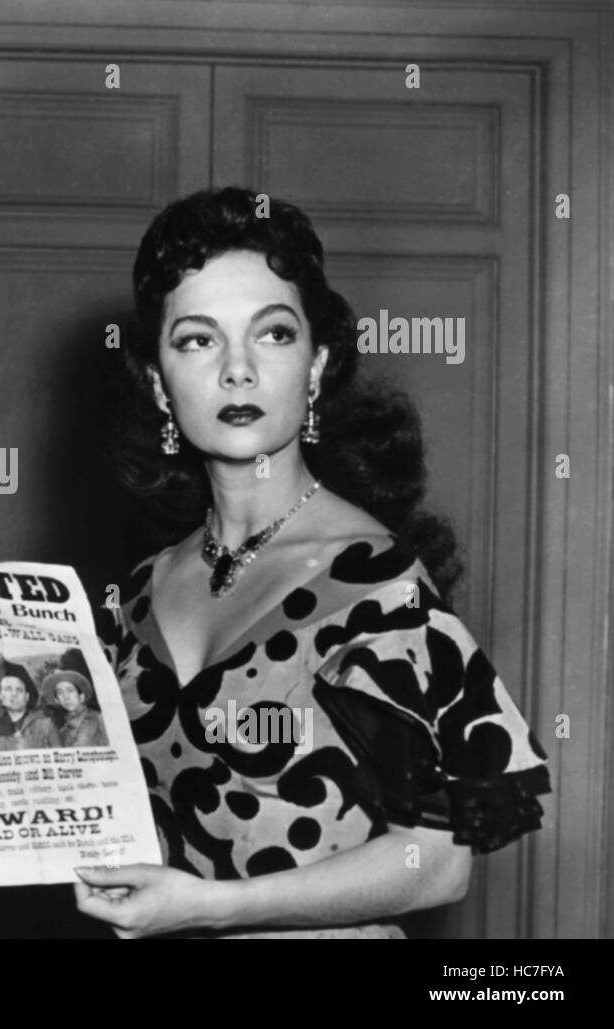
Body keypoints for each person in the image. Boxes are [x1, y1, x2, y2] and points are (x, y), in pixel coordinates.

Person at [74, 187, 550, 939]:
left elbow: (437, 857)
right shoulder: (141, 590)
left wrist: (212, 907)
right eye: (198, 339)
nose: (237, 370)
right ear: (158, 381)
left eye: (272, 334)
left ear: (318, 363)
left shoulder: (372, 584)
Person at [0, 661, 60, 752]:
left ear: (27, 697)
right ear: (0, 696)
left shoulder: (46, 726)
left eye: (19, 690)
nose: (14, 694)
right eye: (8, 689)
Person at [42, 670, 108, 748]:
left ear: (81, 696)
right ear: (57, 701)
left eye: (70, 691)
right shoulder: (62, 732)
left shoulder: (100, 719)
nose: (66, 697)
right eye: (60, 693)